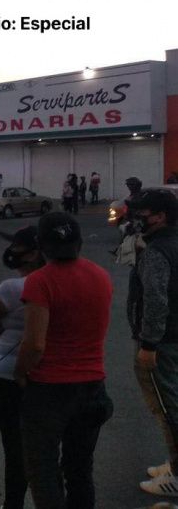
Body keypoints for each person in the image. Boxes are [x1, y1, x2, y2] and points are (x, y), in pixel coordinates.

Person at [14, 212, 114, 508]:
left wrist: (21, 373)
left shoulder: (39, 282)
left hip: (49, 390)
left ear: (42, 246)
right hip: (93, 386)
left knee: (43, 470)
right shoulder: (101, 275)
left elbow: (34, 344)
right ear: (79, 243)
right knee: (80, 469)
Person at [0, 226, 44, 509]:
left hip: (11, 376)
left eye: (17, 247)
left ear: (33, 254)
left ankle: (13, 503)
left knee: (15, 451)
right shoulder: (52, 284)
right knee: (43, 449)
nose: (11, 253)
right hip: (46, 377)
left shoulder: (12, 288)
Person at [124, 190, 178, 495]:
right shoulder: (170, 242)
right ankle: (174, 462)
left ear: (161, 216)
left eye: (143, 213)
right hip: (174, 337)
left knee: (167, 408)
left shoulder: (158, 251)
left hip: (163, 343)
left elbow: (156, 301)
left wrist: (149, 344)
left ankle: (176, 478)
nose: (137, 218)